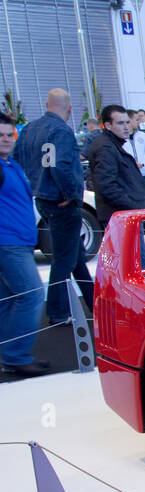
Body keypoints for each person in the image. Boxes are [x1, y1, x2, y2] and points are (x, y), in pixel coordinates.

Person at [14, 88, 92, 325]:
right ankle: (58, 312)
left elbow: (17, 160)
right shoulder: (61, 131)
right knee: (64, 260)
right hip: (61, 202)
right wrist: (71, 193)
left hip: (43, 199)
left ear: (48, 104)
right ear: (69, 109)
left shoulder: (29, 129)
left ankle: (94, 303)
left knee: (75, 255)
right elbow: (58, 165)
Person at [0, 112, 51, 377]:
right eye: (1, 136)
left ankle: (11, 355)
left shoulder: (12, 165)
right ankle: (16, 356)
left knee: (9, 300)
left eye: (10, 135)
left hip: (18, 241)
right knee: (31, 295)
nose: (7, 139)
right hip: (7, 243)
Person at [87, 105, 145, 268]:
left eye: (127, 122)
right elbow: (107, 185)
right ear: (108, 125)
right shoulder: (106, 147)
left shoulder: (112, 145)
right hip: (121, 217)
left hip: (124, 215)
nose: (126, 126)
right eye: (120, 123)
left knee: (135, 265)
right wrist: (132, 205)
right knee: (137, 267)